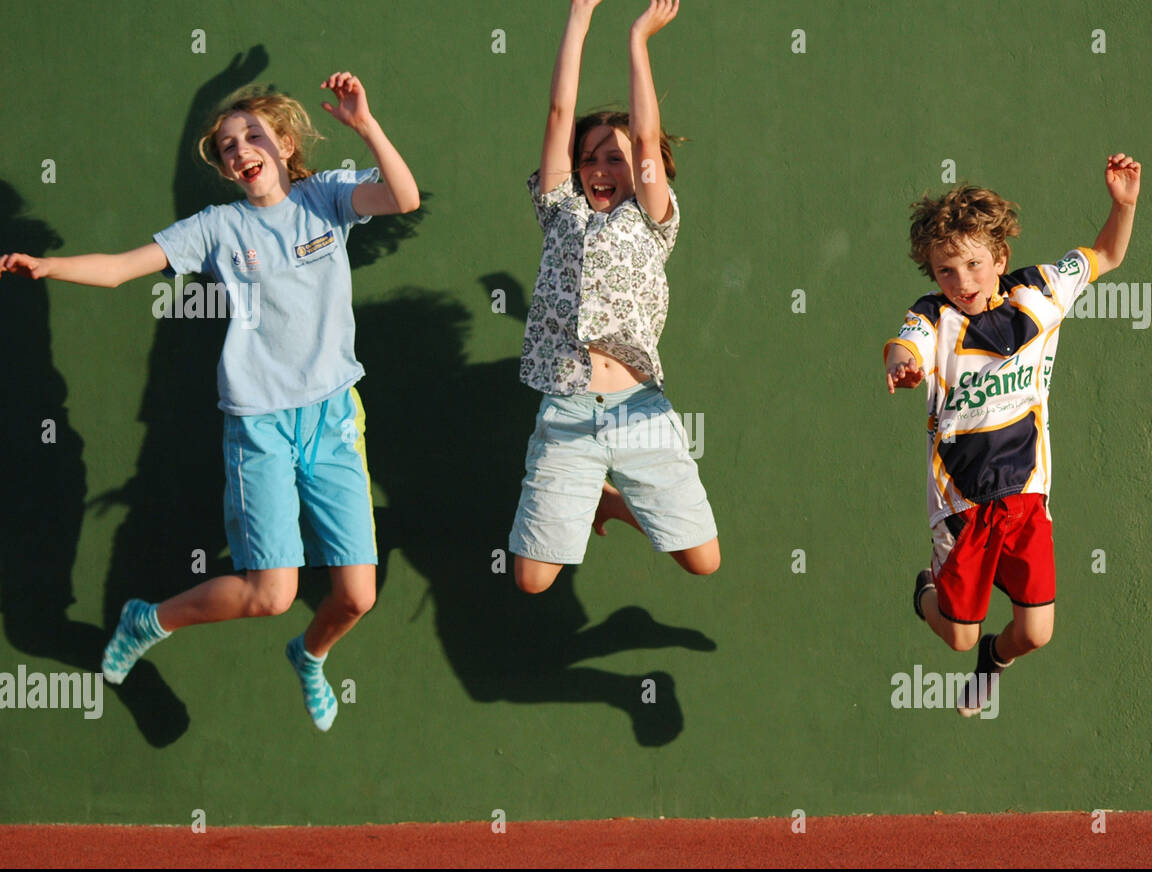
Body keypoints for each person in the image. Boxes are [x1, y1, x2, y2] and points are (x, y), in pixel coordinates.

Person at [0, 73, 419, 731]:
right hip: (260, 424)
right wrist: (52, 267)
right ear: (225, 168)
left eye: (253, 135)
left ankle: (310, 656)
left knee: (357, 594)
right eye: (227, 145)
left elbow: (403, 194)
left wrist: (365, 124)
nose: (240, 149)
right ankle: (150, 618)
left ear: (283, 141)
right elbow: (119, 267)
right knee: (271, 593)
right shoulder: (218, 227)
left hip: (335, 417)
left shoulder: (328, 197)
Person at [884, 155, 1141, 716]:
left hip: (1025, 495)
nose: (962, 281)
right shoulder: (933, 316)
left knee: (1036, 632)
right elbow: (905, 345)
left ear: (999, 257)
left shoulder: (1041, 290)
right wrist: (901, 365)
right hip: (963, 503)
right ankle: (926, 589)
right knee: (957, 636)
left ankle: (993, 665)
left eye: (974, 265)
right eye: (946, 271)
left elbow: (1108, 254)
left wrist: (1122, 205)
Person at [510, 0, 719, 594]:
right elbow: (558, 113)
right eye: (589, 158)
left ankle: (611, 501)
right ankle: (599, 497)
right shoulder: (560, 211)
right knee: (531, 579)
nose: (600, 168)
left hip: (640, 411)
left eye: (615, 158)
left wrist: (637, 39)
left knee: (704, 561)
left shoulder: (652, 218)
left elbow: (647, 138)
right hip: (569, 409)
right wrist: (580, 14)